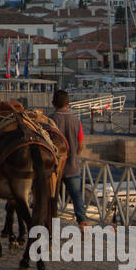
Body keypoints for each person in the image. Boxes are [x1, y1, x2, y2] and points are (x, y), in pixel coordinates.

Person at [50, 90, 87, 228]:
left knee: (52, 197)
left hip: (54, 168)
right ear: (68, 103)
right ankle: (82, 223)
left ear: (53, 103)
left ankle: (50, 223)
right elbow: (81, 144)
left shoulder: (51, 120)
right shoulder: (76, 121)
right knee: (77, 197)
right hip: (72, 166)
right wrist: (74, 156)